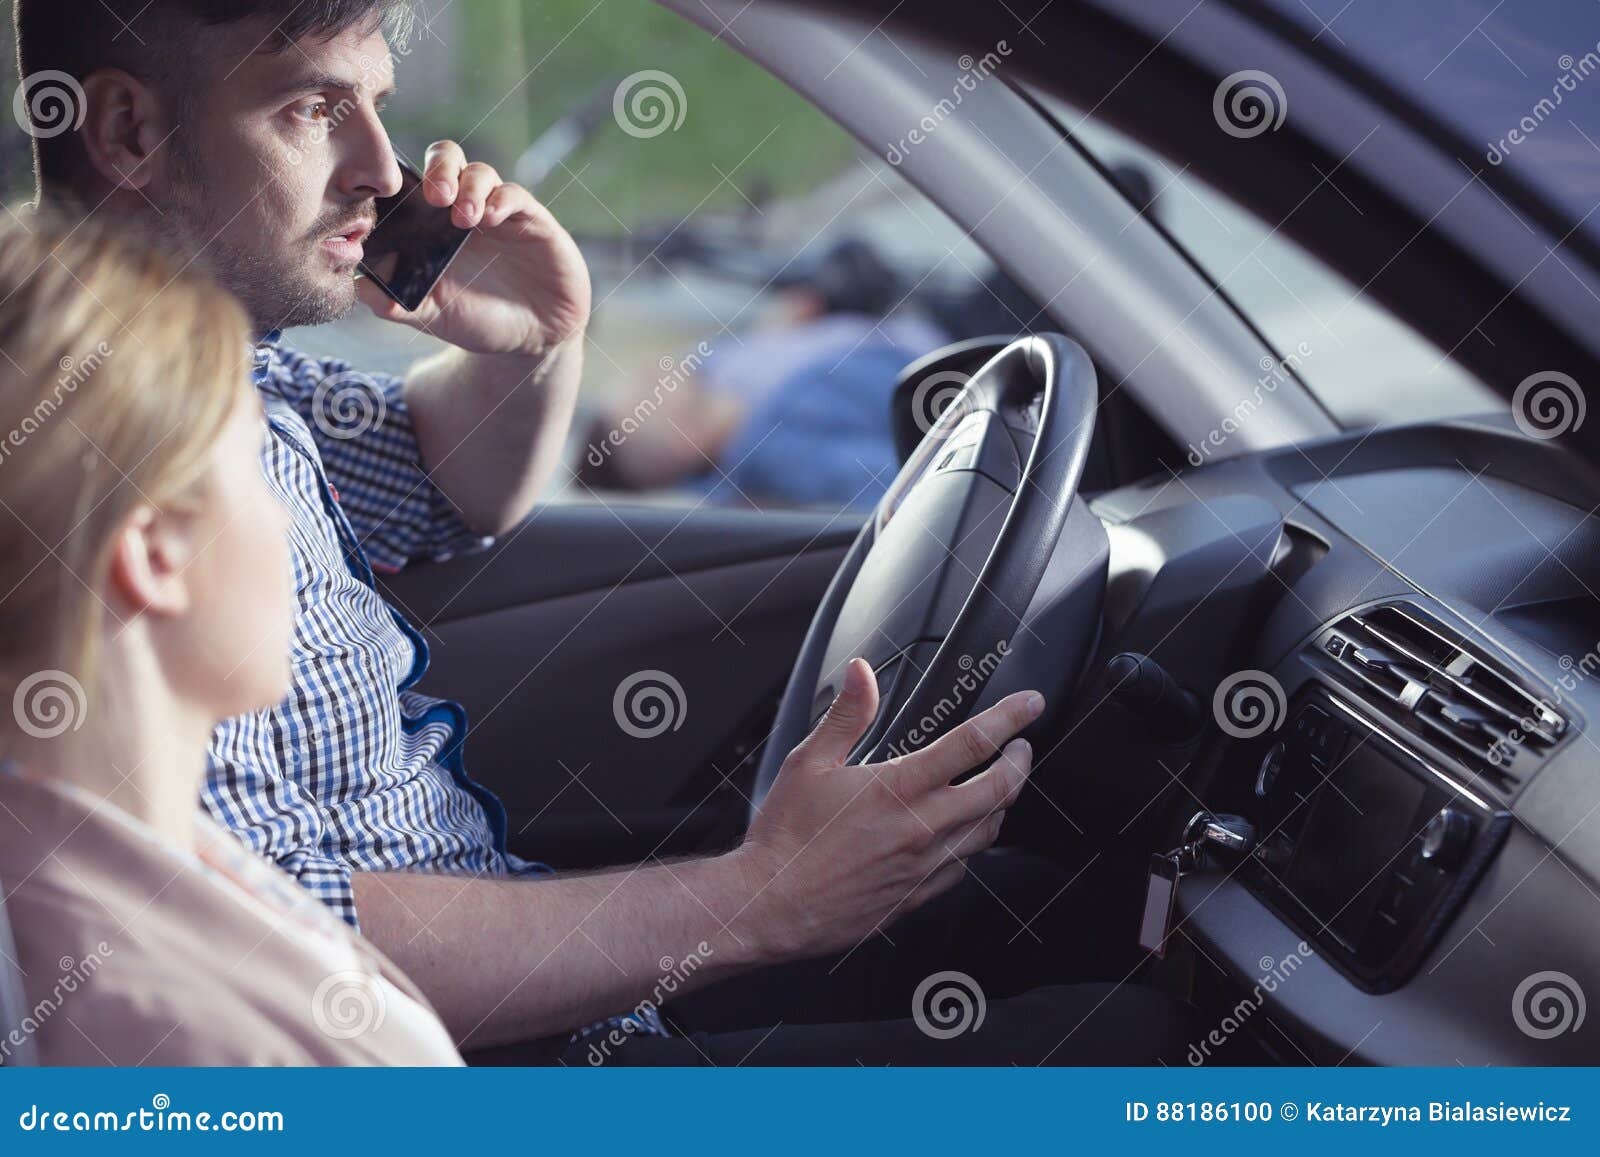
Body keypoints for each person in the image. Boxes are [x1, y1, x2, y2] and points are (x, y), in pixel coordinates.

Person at [13, 0, 1193, 1063]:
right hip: (472, 1056)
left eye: (375, 104)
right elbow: (294, 943)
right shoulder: (105, 444)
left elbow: (441, 485)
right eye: (315, 106)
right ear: (125, 133)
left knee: (1045, 906)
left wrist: (534, 341)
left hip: (522, 1001)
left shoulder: (229, 378)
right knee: (1133, 1040)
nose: (381, 169)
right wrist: (764, 892)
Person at [0, 214, 463, 1066]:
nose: (294, 518)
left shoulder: (65, 858)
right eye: (260, 465)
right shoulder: (234, 1049)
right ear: (156, 552)